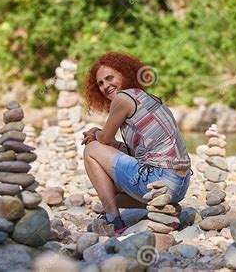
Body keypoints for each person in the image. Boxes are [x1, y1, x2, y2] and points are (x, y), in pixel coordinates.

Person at [82, 52, 192, 234]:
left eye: (109, 78)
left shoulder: (123, 99)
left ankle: (113, 222)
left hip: (160, 178)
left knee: (91, 149)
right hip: (180, 184)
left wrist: (95, 131)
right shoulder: (146, 97)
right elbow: (133, 152)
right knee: (110, 194)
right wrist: (103, 137)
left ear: (124, 73)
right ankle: (167, 208)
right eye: (100, 83)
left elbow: (103, 140)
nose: (105, 86)